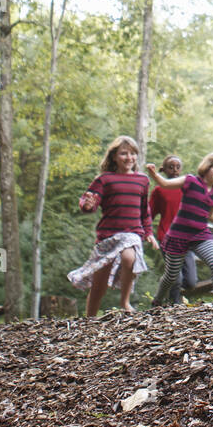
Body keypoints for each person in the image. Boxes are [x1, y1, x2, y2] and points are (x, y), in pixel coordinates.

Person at [68, 135, 160, 316]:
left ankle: (124, 302)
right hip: (108, 235)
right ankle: (90, 318)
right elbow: (90, 202)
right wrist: (87, 205)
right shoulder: (104, 179)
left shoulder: (142, 180)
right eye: (124, 154)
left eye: (133, 154)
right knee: (99, 282)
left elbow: (144, 210)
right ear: (114, 157)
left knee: (129, 258)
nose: (129, 158)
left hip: (132, 232)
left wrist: (148, 232)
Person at [147, 153, 213, 304]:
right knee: (171, 276)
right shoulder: (191, 181)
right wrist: (154, 174)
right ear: (206, 167)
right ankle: (157, 300)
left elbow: (210, 215)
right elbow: (165, 184)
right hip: (178, 236)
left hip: (200, 235)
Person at [149, 155, 199, 303]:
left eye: (178, 167)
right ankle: (174, 308)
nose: (175, 170)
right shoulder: (159, 191)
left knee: (190, 282)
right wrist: (145, 233)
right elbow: (149, 213)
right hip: (167, 237)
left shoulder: (188, 188)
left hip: (186, 239)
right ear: (164, 170)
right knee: (176, 279)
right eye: (171, 167)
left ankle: (165, 286)